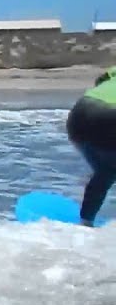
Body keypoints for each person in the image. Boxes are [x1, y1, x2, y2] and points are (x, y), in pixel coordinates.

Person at [66, 66, 116, 226]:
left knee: (106, 171)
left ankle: (85, 222)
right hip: (110, 117)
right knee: (108, 169)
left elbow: (100, 80)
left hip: (79, 114)